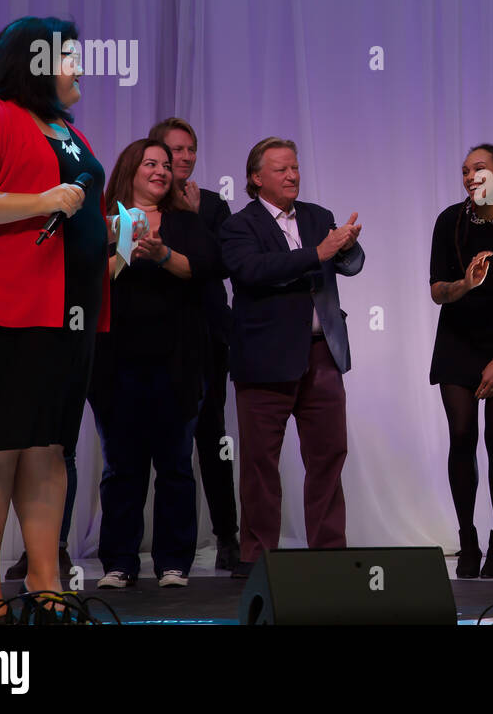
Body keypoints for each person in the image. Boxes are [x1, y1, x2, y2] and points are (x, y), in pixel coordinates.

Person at [0, 16, 142, 623]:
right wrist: (43, 202)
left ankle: (48, 580)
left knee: (50, 447)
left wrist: (119, 238)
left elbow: (72, 217)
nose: (79, 68)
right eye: (69, 58)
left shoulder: (70, 133)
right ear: (35, 63)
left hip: (67, 312)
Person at [219, 137, 364, 577]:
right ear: (256, 178)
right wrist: (317, 253)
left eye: (295, 168)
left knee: (328, 456)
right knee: (261, 461)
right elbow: (251, 271)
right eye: (281, 169)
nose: (292, 176)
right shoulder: (239, 225)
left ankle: (328, 552)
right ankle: (257, 555)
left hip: (322, 356)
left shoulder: (318, 216)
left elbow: (352, 265)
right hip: (266, 357)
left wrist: (348, 245)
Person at [90, 139, 222, 589]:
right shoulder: (103, 220)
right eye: (152, 163)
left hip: (177, 362)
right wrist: (127, 247)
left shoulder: (186, 221)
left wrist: (163, 254)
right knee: (121, 468)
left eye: (167, 165)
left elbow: (203, 268)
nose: (162, 171)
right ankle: (119, 562)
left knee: (175, 466)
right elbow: (88, 280)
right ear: (131, 169)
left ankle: (173, 562)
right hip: (116, 363)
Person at [149, 117, 240, 573]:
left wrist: (192, 213)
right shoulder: (137, 206)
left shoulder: (213, 206)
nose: (184, 158)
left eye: (190, 150)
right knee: (154, 445)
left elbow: (221, 265)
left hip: (206, 336)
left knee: (211, 437)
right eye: (175, 151)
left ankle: (228, 536)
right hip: (154, 338)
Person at [428, 144, 493, 578]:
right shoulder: (450, 221)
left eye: (478, 168)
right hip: (458, 338)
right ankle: (467, 539)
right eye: (464, 170)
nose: (469, 176)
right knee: (461, 433)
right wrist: (464, 284)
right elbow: (437, 290)